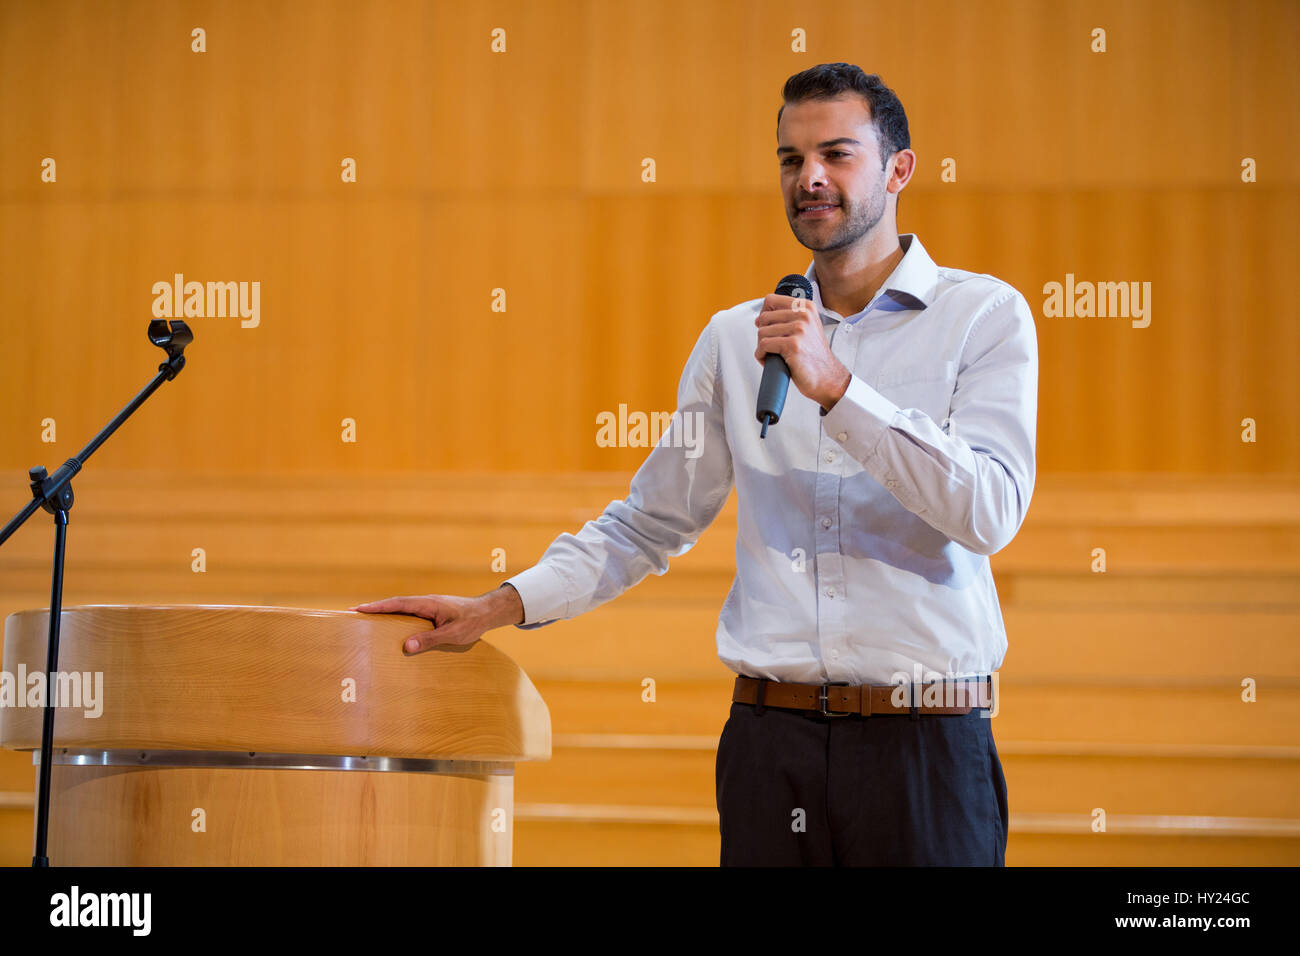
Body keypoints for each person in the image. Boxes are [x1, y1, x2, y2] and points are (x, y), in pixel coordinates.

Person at [351, 63, 1037, 867]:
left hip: (927, 747)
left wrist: (840, 390)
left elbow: (989, 510)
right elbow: (650, 521)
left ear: (899, 169)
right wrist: (502, 605)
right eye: (790, 159)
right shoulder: (735, 339)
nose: (809, 177)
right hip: (769, 745)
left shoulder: (983, 315)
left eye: (837, 154)